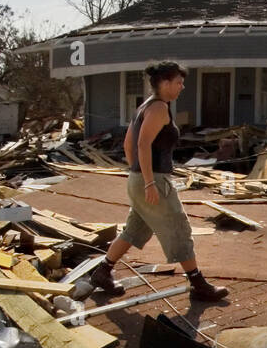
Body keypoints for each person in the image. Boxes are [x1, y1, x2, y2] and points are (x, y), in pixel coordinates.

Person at [89, 62, 228, 301]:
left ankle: (103, 272)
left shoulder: (144, 107)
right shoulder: (159, 108)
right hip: (153, 181)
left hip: (138, 179)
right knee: (179, 227)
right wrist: (149, 181)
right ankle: (198, 284)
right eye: (178, 82)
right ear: (164, 83)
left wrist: (137, 174)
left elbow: (128, 145)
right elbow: (142, 144)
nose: (182, 87)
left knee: (134, 229)